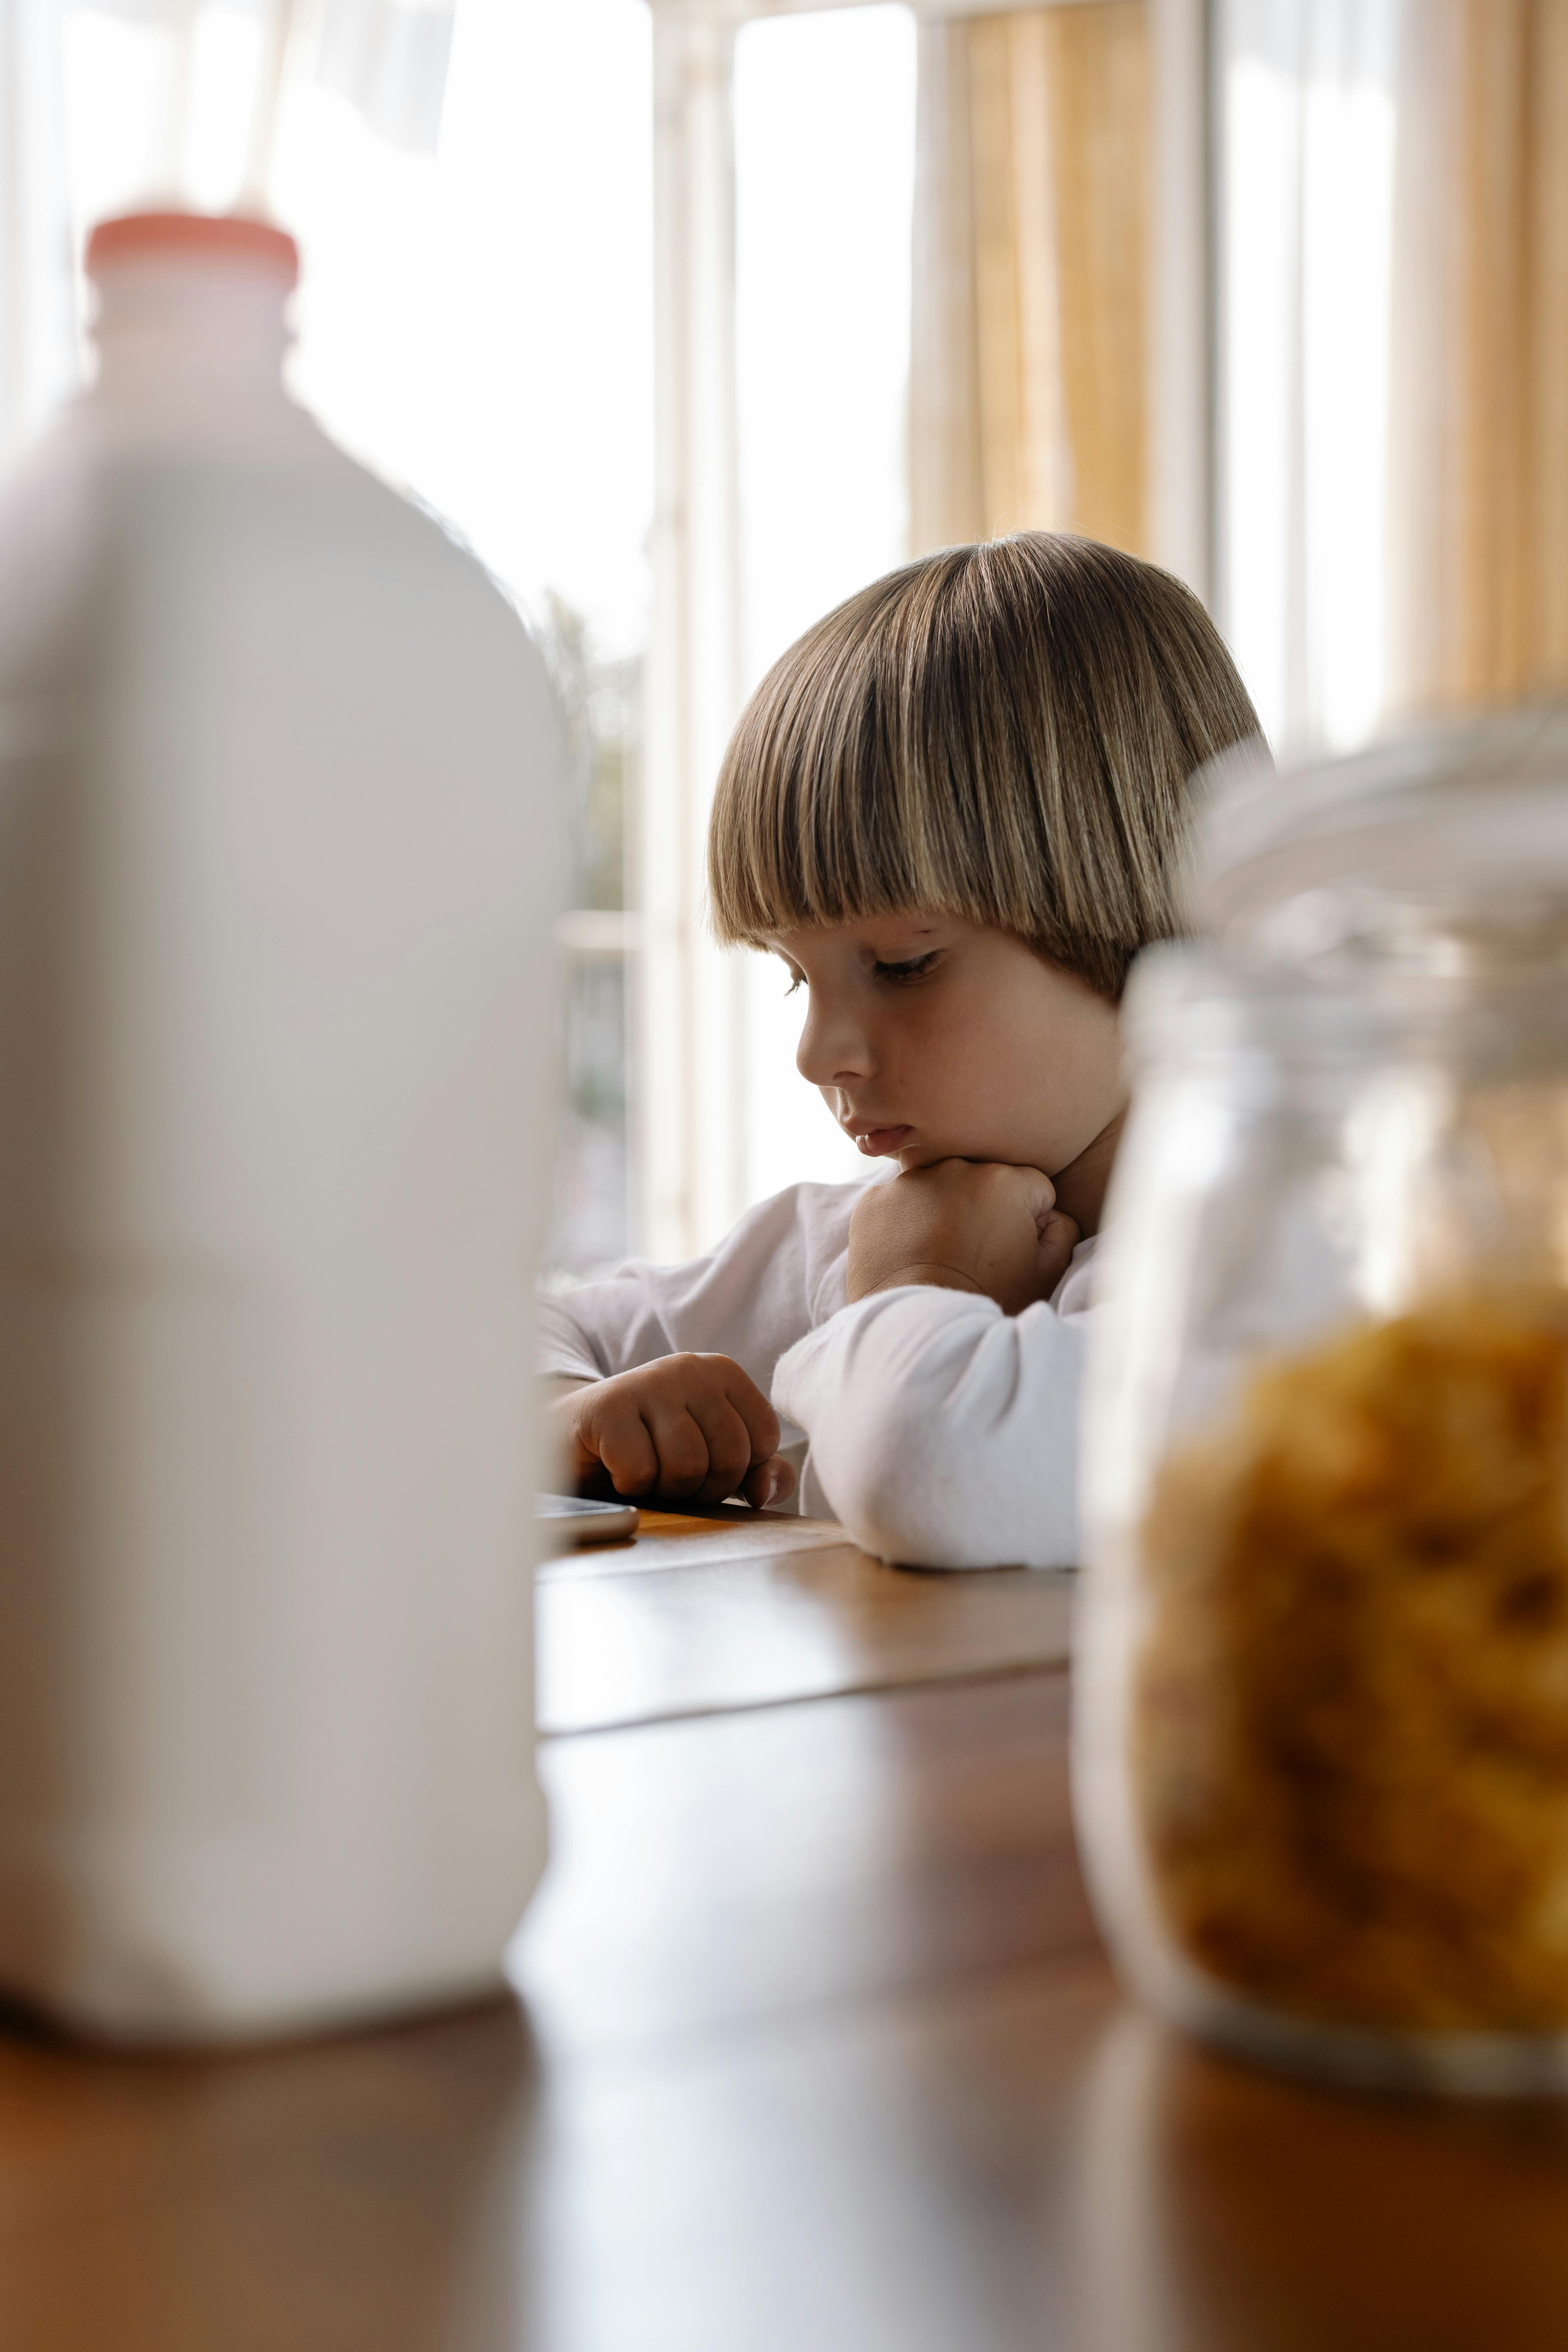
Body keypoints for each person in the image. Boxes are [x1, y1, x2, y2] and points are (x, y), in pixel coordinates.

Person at [540, 532, 1262, 1567]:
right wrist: (576, 1415)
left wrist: (919, 1281)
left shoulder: (1253, 1273)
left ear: (1147, 905)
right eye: (798, 975)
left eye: (902, 964)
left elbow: (928, 1465)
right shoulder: (852, 1235)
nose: (816, 1052)